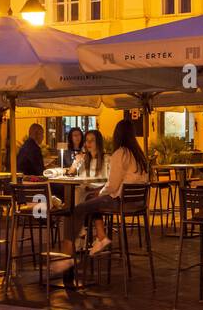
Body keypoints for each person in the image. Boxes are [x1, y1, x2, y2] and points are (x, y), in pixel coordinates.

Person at [53, 119, 151, 280]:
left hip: (119, 201)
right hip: (137, 203)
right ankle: (100, 237)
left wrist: (101, 193)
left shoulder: (120, 153)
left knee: (79, 209)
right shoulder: (138, 154)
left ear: (117, 135)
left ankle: (67, 255)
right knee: (91, 203)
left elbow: (112, 186)